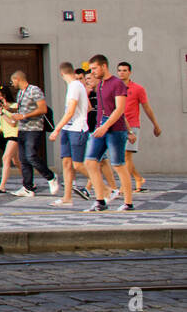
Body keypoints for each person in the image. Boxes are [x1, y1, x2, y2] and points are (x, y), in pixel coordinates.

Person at [83, 54, 133, 212]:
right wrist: (99, 126)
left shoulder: (117, 84)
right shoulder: (100, 85)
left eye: (94, 68)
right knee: (90, 161)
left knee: (118, 164)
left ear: (104, 66)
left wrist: (106, 126)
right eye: (91, 69)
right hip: (100, 127)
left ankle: (128, 202)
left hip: (115, 129)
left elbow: (120, 109)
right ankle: (100, 200)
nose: (92, 72)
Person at [8, 70, 59, 198]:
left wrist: (24, 115)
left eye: (12, 81)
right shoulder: (20, 93)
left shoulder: (34, 90)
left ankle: (51, 177)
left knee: (31, 156)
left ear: (17, 79)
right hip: (23, 129)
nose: (12, 84)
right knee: (23, 159)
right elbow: (23, 109)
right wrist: (11, 111)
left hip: (34, 129)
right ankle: (27, 187)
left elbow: (43, 109)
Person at [116, 61, 162, 193]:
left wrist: (155, 125)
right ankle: (138, 178)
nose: (122, 73)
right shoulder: (115, 87)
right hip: (118, 125)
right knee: (121, 156)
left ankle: (124, 186)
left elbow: (147, 107)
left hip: (133, 125)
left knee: (126, 156)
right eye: (119, 70)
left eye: (125, 70)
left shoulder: (138, 89)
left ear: (130, 72)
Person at [48, 62, 89, 207]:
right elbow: (87, 107)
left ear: (61, 74)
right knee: (66, 163)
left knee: (78, 165)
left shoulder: (75, 86)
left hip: (77, 129)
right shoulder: (74, 86)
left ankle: (106, 188)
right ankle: (67, 198)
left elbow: (70, 111)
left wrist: (56, 129)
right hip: (68, 128)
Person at [75, 65, 118, 201]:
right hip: (91, 129)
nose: (87, 81)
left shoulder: (98, 93)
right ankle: (112, 189)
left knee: (94, 160)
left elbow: (90, 109)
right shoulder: (88, 93)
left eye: (88, 78)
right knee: (100, 161)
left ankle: (95, 189)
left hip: (98, 129)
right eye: (85, 79)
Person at [0, 86, 21, 193]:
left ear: (6, 95)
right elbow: (3, 125)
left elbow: (13, 123)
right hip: (6, 136)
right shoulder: (2, 109)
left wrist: (2, 114)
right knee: (16, 161)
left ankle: (2, 186)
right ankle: (29, 181)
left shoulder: (15, 106)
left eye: (1, 96)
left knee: (5, 158)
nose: (0, 99)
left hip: (14, 135)